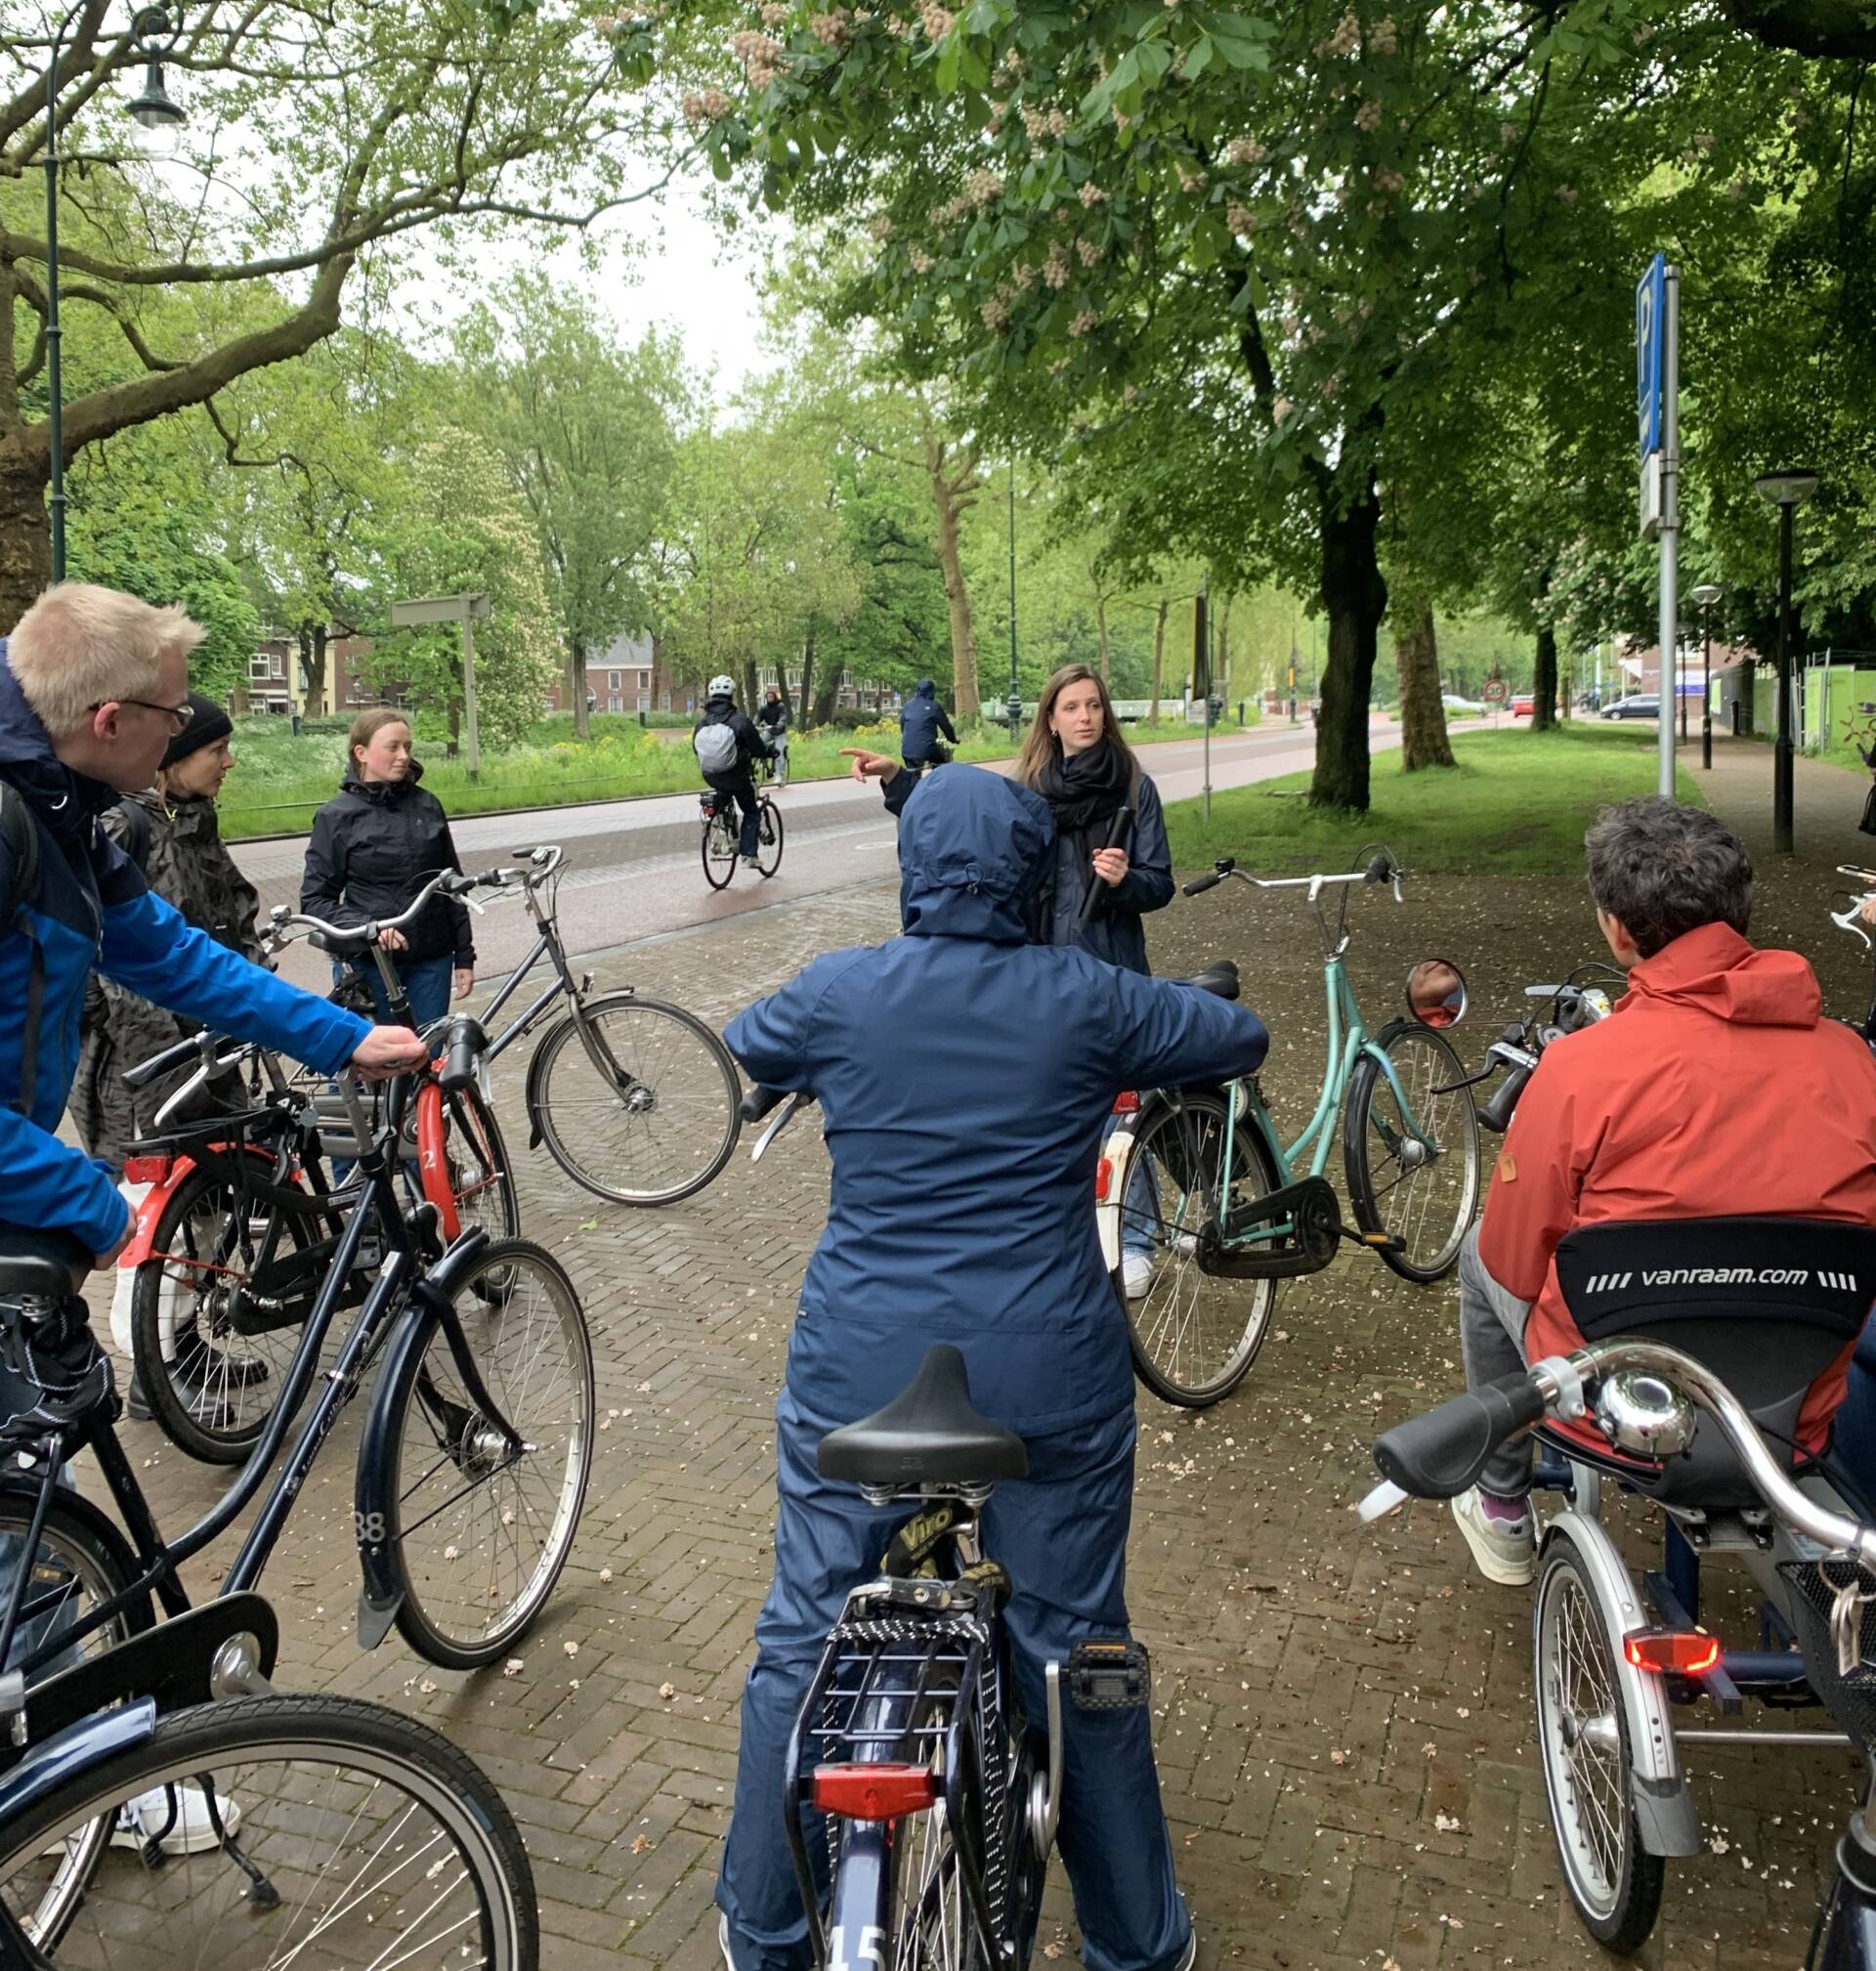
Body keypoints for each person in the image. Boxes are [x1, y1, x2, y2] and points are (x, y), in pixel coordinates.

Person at [714, 766, 1269, 1971]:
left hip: (861, 1368)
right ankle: (1133, 1936)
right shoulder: (1087, 996)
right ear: (1036, 875)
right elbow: (1237, 1036)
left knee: (804, 1637)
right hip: (1044, 1377)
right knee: (1075, 1647)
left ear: (912, 871)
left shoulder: (843, 991)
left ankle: (762, 1928)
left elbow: (747, 1038)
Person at [0, 581, 425, 1853]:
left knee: (43, 1507)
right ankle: (85, 1789)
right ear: (114, 718)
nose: (192, 735)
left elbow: (172, 955)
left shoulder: (68, 811)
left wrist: (345, 1037)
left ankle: (87, 1784)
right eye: (176, 716)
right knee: (35, 1520)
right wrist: (81, 1193)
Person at [1446, 797, 1876, 1587]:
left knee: (1479, 1254)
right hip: (1794, 1408)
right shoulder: (1852, 1062)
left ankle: (1502, 1505)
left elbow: (1514, 1260)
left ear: (1615, 927)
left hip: (1630, 1405)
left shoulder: (1580, 1071)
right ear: (1740, 910)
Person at [67, 692, 265, 1419]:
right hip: (140, 1071)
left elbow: (230, 906)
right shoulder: (125, 828)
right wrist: (172, 1066)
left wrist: (248, 975)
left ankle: (181, 1347)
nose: (227, 761)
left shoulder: (189, 823)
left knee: (206, 1205)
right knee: (152, 1216)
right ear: (175, 760)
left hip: (205, 1050)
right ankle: (152, 1379)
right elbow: (112, 972)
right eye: (217, 750)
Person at [301, 709, 475, 1030]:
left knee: (426, 1060)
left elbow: (450, 883)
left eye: (408, 747)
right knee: (370, 1064)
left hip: (432, 961)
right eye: (393, 747)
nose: (404, 756)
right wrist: (369, 928)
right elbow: (315, 902)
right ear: (361, 753)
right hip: (370, 963)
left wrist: (464, 955)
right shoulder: (335, 816)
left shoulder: (428, 805)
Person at [693, 674, 766, 864]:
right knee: (750, 810)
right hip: (737, 776)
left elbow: (696, 749)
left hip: (711, 775)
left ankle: (720, 825)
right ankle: (749, 855)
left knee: (723, 795)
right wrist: (769, 753)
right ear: (732, 695)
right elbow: (757, 748)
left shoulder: (702, 723)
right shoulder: (739, 721)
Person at [898, 675, 957, 773]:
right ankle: (938, 783)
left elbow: (903, 725)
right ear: (932, 692)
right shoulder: (934, 707)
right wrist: (953, 739)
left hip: (907, 750)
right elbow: (946, 726)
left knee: (913, 775)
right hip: (928, 748)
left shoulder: (908, 706)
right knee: (941, 765)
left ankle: (914, 785)